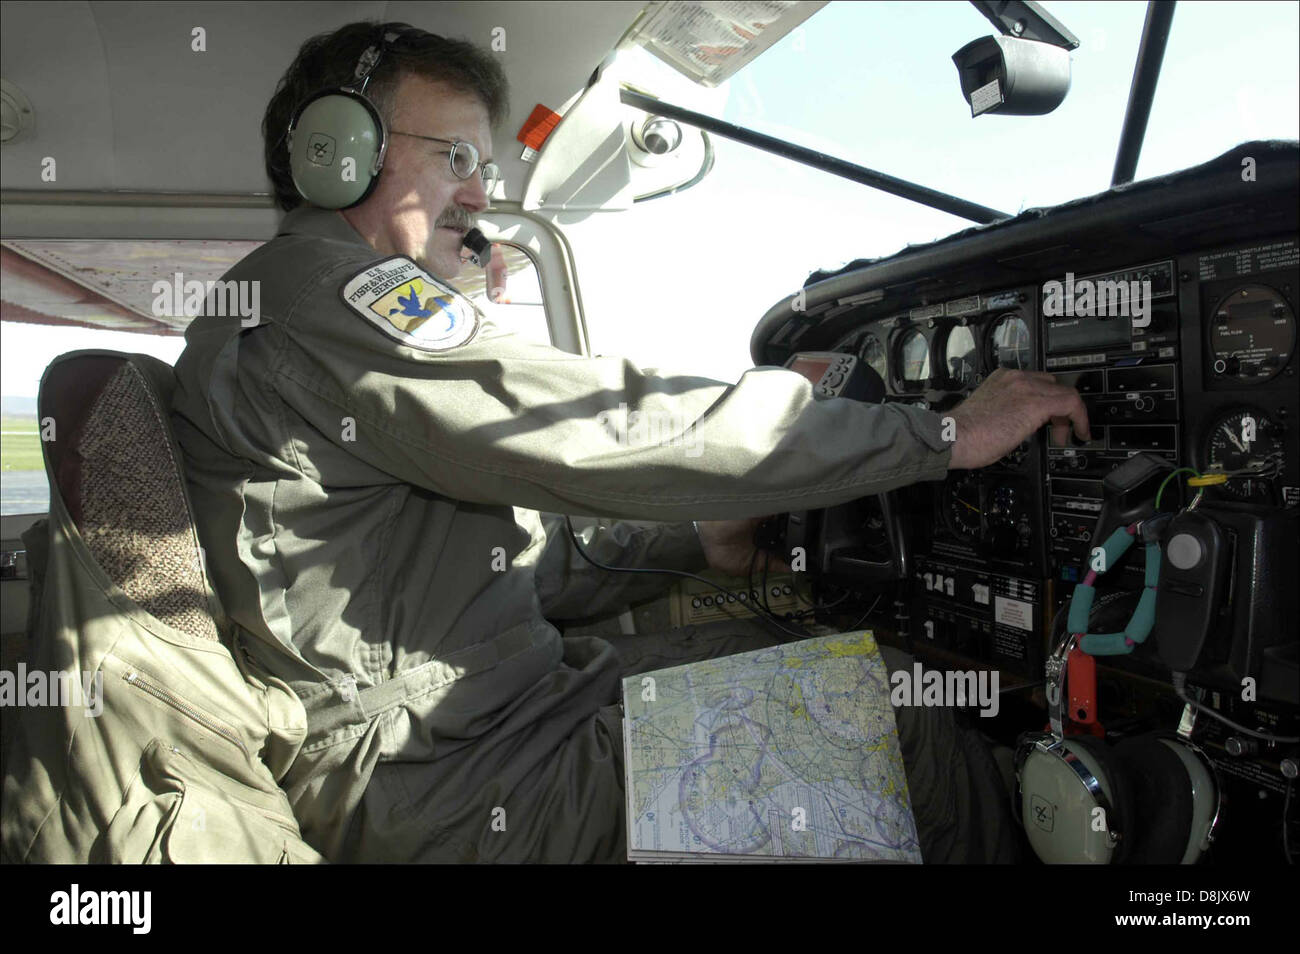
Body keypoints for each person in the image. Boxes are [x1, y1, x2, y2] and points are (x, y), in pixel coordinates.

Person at [170, 21, 1089, 863]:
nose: (479, 195)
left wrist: (698, 538)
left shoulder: (304, 309)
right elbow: (599, 427)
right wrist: (945, 432)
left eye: (481, 165)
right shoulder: (328, 296)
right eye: (452, 156)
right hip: (449, 780)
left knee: (810, 646)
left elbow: (502, 563)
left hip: (482, 718)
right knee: (893, 715)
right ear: (338, 154)